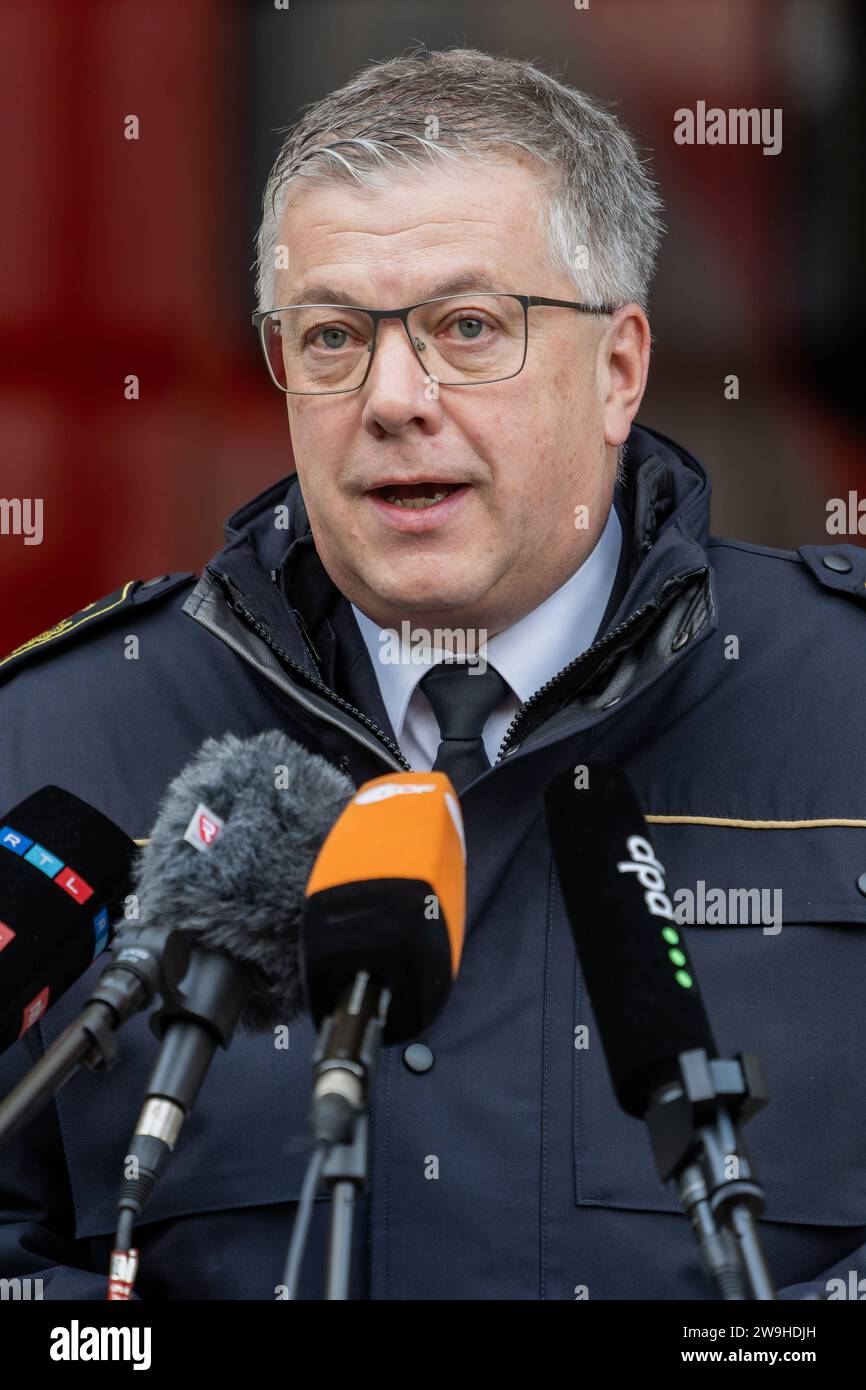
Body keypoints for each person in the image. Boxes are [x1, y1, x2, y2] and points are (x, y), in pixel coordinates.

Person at [1, 46, 864, 1301]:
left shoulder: (840, 699)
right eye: (334, 336)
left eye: (468, 327)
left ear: (619, 369)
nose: (395, 399)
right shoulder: (59, 747)